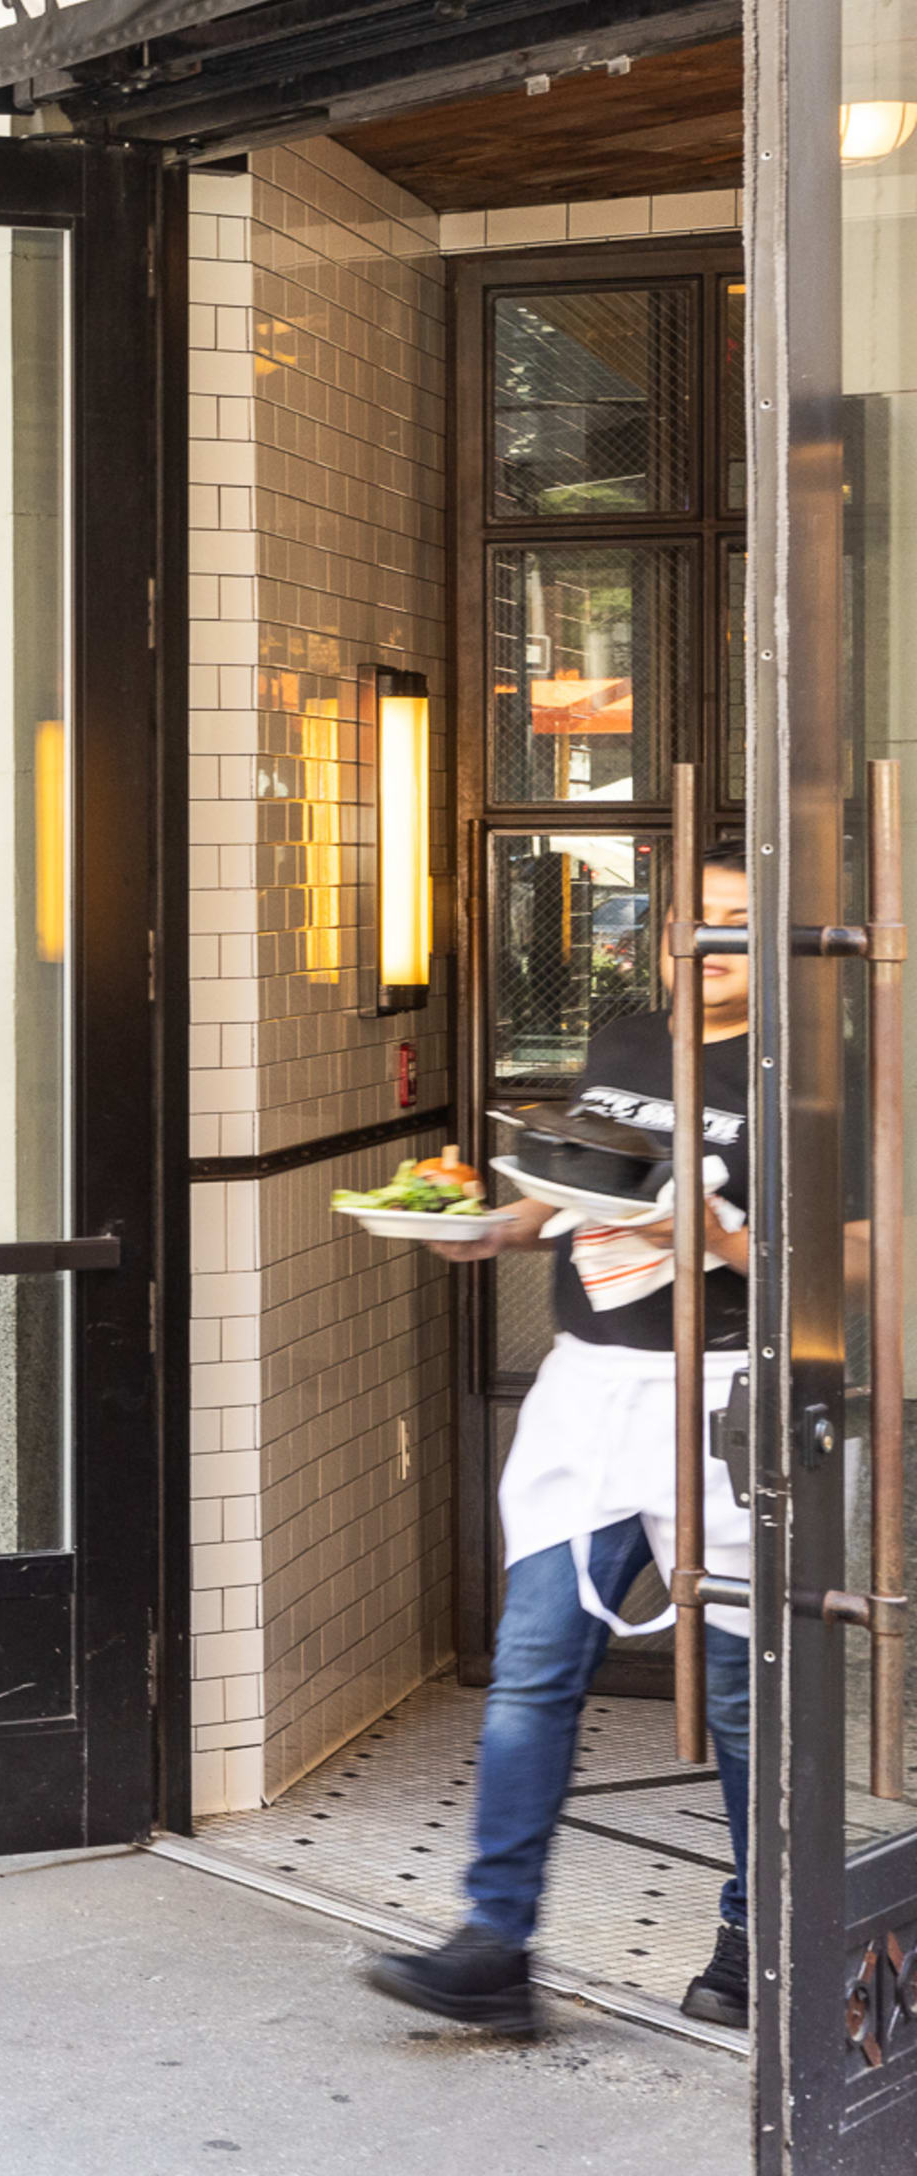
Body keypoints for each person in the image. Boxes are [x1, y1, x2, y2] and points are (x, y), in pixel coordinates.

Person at [367, 844, 768, 2034]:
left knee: (745, 1694)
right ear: (665, 929)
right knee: (535, 1664)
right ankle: (495, 1944)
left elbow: (852, 1265)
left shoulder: (815, 1071)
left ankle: (759, 1936)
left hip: (726, 1393)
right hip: (590, 1386)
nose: (714, 940)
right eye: (701, 916)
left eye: (744, 923)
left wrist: (716, 1233)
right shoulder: (626, 1040)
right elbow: (578, 1179)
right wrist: (497, 1229)